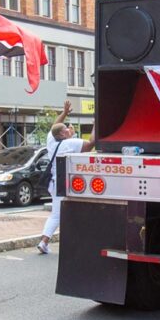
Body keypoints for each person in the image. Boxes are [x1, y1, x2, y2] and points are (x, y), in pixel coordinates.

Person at [38, 100, 94, 255]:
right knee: (60, 214)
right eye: (66, 128)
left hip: (56, 183)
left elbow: (54, 127)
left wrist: (64, 113)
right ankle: (44, 241)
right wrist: (96, 124)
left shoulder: (52, 141)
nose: (69, 129)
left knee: (61, 213)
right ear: (62, 134)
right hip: (65, 184)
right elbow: (90, 143)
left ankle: (47, 241)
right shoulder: (69, 143)